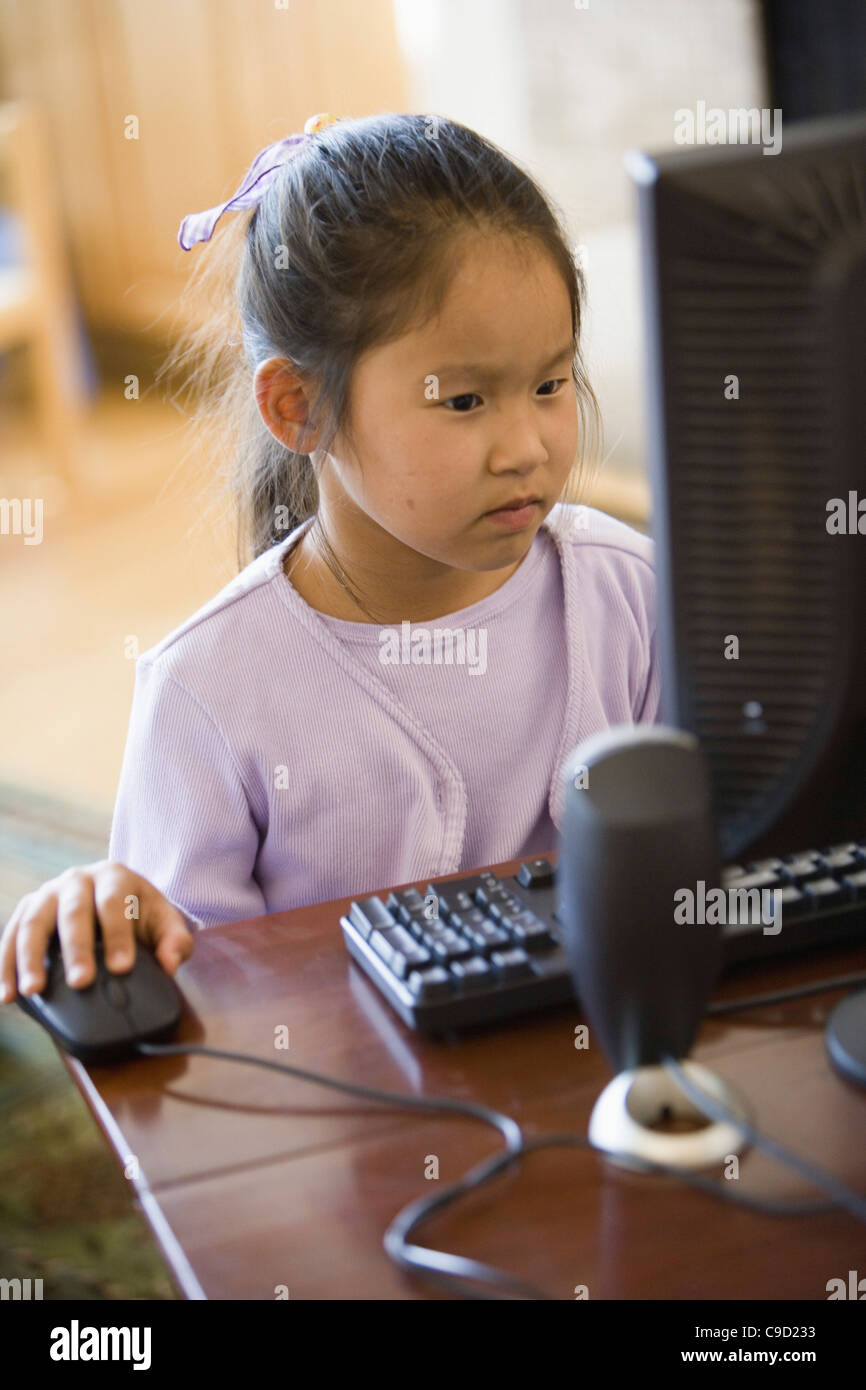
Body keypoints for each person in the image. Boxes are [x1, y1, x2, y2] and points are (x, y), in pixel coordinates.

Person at [0, 111, 659, 1004]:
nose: (525, 447)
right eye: (464, 401)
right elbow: (192, 1006)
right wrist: (109, 906)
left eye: (548, 385)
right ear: (298, 408)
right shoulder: (209, 692)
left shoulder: (629, 595)